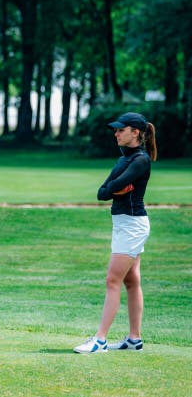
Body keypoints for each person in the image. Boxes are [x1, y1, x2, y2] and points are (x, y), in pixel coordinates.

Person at [74, 112, 157, 354]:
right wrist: (115, 188)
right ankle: (134, 339)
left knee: (112, 280)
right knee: (131, 281)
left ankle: (100, 340)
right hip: (124, 223)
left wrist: (115, 188)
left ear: (136, 133)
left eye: (122, 129)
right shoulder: (125, 160)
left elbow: (113, 187)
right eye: (116, 129)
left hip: (132, 224)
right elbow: (103, 192)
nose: (116, 133)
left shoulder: (140, 160)